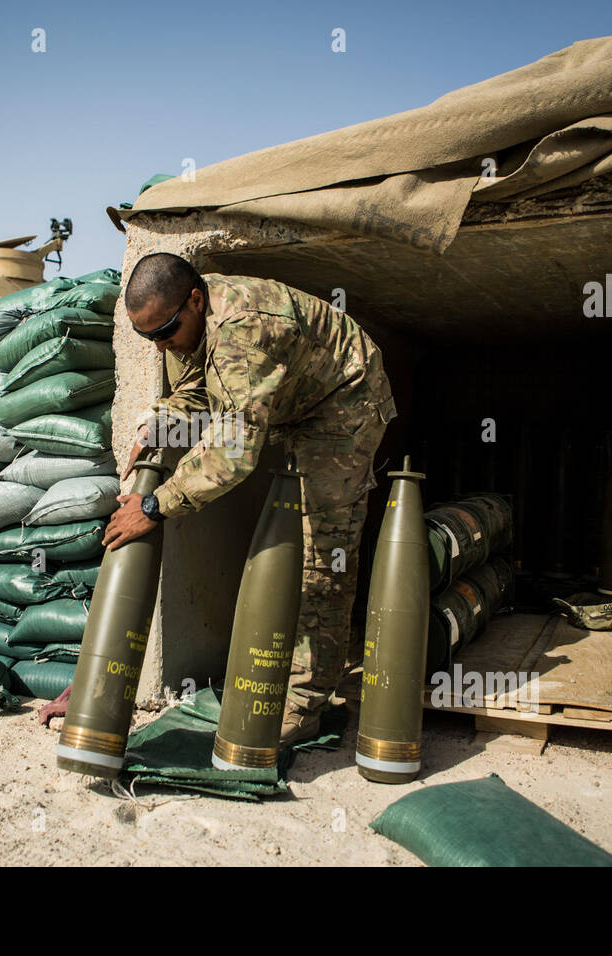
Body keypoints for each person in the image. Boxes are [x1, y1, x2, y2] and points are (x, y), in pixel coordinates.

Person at [102, 252, 397, 745]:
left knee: (320, 551)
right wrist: (162, 416)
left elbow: (235, 454)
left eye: (164, 332)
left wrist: (155, 507)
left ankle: (306, 705)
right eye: (146, 336)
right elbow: (208, 380)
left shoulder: (244, 329)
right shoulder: (198, 315)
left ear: (195, 300)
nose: (159, 347)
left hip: (345, 403)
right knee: (296, 538)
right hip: (297, 398)